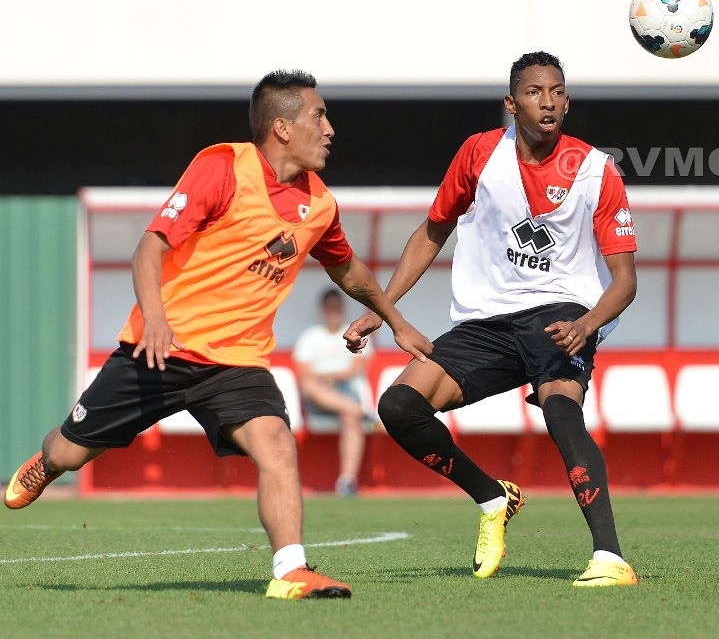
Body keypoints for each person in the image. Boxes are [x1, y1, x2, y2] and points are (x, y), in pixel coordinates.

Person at [3, 70, 432, 600]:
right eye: (319, 116)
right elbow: (149, 249)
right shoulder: (223, 167)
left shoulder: (320, 205)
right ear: (281, 127)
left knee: (277, 444)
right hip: (160, 348)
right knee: (70, 454)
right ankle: (47, 462)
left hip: (237, 363)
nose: (330, 129)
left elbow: (348, 270)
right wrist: (155, 317)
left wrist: (395, 320)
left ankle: (291, 571)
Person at [344, 51, 640, 587]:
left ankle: (610, 558)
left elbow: (625, 281)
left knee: (561, 410)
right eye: (534, 92)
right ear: (511, 103)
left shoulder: (596, 169)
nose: (547, 102)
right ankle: (492, 497)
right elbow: (433, 231)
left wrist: (587, 324)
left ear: (567, 102)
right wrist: (381, 308)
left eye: (557, 92)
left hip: (560, 313)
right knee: (399, 407)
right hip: (485, 322)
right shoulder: (479, 152)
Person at [294, 287, 377, 497]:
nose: (335, 311)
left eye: (338, 306)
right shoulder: (310, 337)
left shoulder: (355, 334)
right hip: (319, 397)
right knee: (309, 385)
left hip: (347, 391)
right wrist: (326, 380)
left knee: (350, 416)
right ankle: (359, 411)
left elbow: (356, 367)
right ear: (323, 309)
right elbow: (305, 374)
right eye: (331, 307)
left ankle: (347, 481)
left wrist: (330, 377)